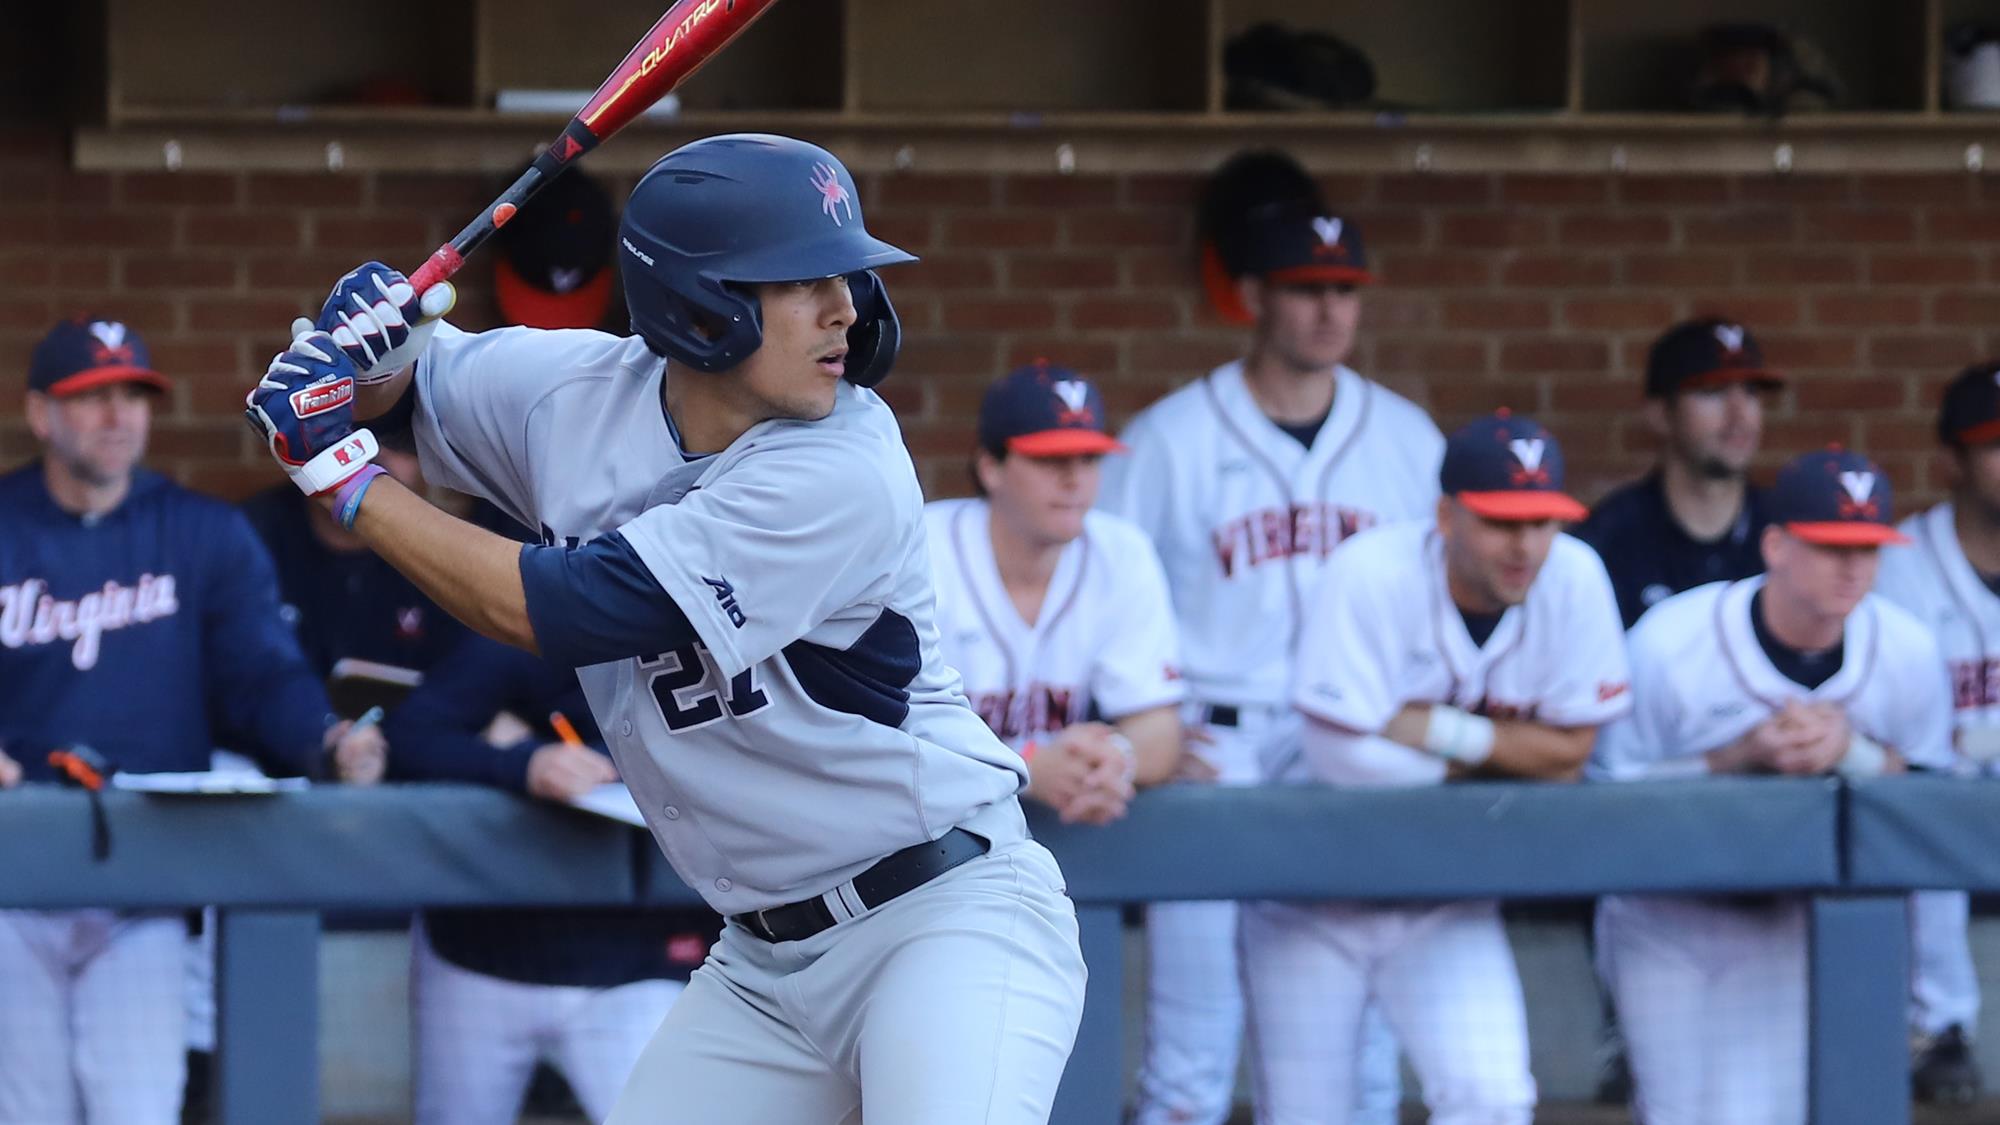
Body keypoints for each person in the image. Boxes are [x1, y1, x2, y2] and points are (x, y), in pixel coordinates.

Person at [242, 133, 1086, 1124]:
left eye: (846, 277)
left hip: (941, 919)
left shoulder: (841, 468)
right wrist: (369, 357)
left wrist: (345, 479)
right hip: (762, 966)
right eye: (800, 281)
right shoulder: (567, 392)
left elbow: (542, 605)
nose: (843, 309)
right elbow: (401, 396)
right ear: (701, 304)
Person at [1102, 191, 1438, 1125]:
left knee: (1356, 1062)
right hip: (1217, 745)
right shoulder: (1170, 438)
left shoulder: (1410, 441)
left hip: (1353, 751)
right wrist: (1152, 731)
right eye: (1305, 288)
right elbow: (1109, 591)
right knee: (1189, 1060)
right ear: (1253, 295)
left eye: (1344, 288)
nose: (1330, 309)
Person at [0, 317, 382, 1124]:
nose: (118, 417)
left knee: (137, 1109)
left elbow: (261, 673)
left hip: (143, 880)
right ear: (40, 415)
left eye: (133, 397)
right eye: (92, 398)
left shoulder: (203, 532)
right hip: (13, 883)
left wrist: (324, 734)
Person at [1242, 412, 1629, 1125]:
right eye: (1502, 522)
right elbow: (1339, 756)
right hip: (1307, 891)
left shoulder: (1574, 579)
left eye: (1543, 521)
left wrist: (1446, 733)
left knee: (1492, 1095)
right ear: (1447, 514)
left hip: (1440, 896)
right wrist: (1500, 759)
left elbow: (1573, 751)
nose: (1526, 544)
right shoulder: (1369, 570)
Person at [1590, 447, 1955, 1125]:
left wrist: (1856, 752)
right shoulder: (1671, 641)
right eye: (1830, 545)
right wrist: (1732, 758)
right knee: (1674, 1112)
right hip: (1666, 920)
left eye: (1868, 547)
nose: (1853, 566)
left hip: (1791, 921)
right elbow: (1603, 793)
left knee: (1758, 1112)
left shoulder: (1904, 650)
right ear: (1777, 544)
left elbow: (1932, 803)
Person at [383, 632, 722, 1125]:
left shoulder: (725, 631)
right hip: (484, 954)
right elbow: (408, 738)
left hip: (641, 964)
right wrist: (522, 761)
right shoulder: (532, 628)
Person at [928, 361, 1189, 827]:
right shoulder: (923, 550)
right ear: (990, 467)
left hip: (1073, 832)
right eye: (1051, 460)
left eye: (1088, 459)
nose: (1075, 480)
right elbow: (885, 740)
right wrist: (1022, 766)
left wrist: (1115, 759)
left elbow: (1159, 732)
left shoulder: (1122, 552)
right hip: (934, 841)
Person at [1873, 362, 2000, 1105]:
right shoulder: (1900, 566)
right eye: (1995, 444)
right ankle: (1938, 1029)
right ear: (1951, 458)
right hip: (1937, 787)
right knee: (1924, 815)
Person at [1575, 317, 1784, 629]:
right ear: (1660, 414)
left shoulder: (1789, 536)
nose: (1739, 413)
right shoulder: (1606, 542)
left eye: (1751, 391)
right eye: (1714, 391)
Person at [241, 446, 466, 678]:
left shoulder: (445, 556)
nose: (370, 457)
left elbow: (469, 679)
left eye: (397, 441)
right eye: (349, 439)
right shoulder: (250, 537)